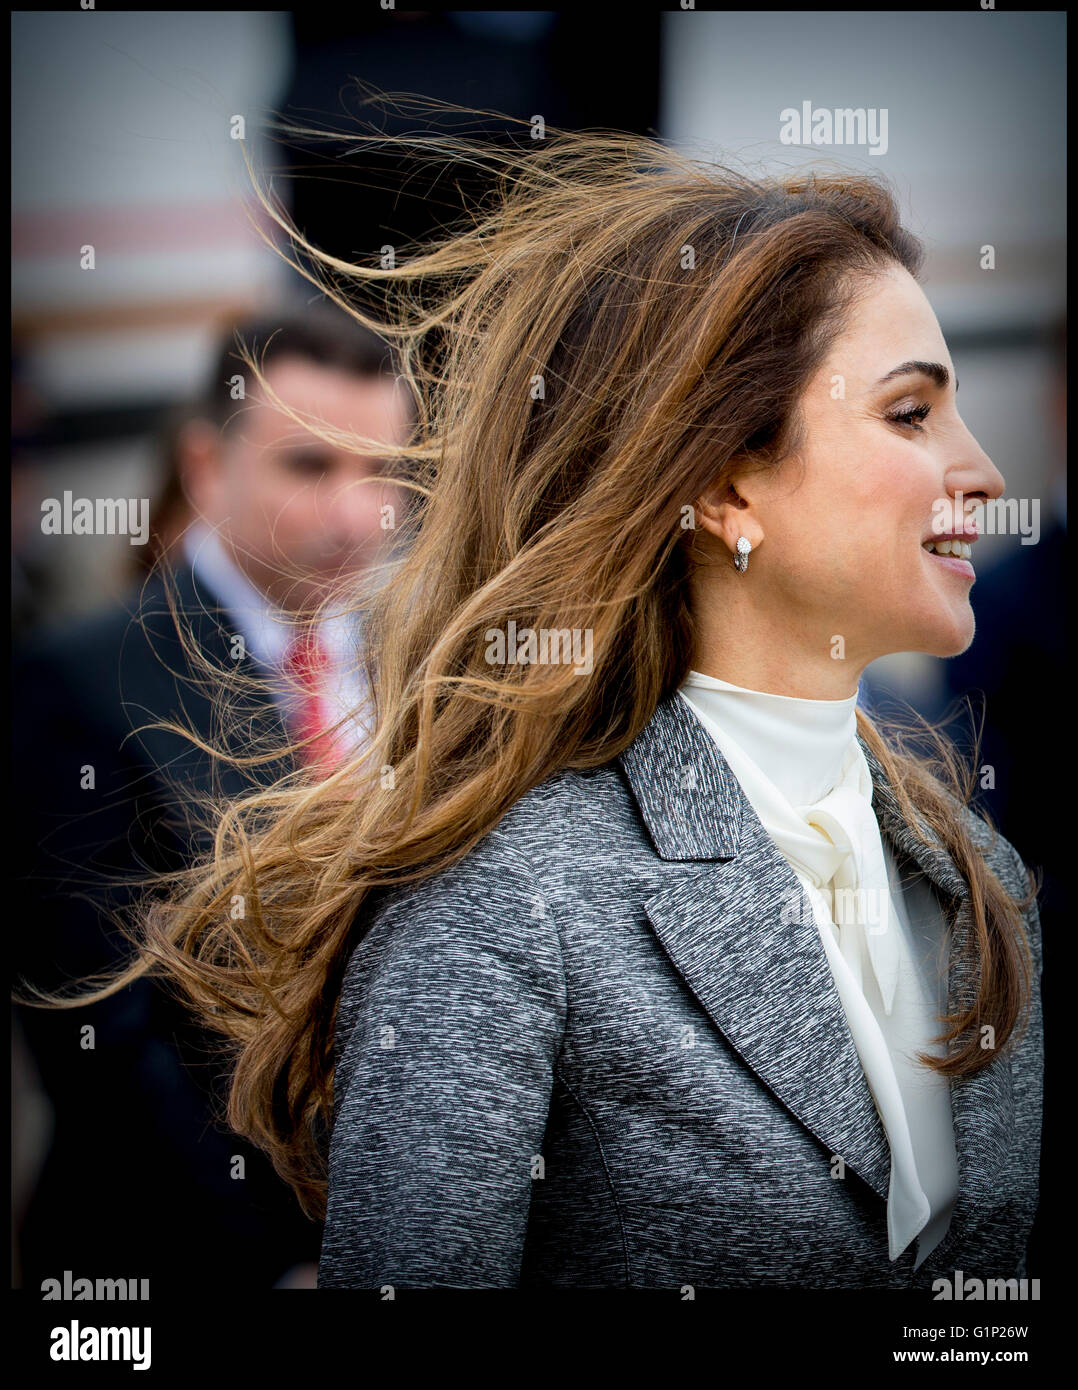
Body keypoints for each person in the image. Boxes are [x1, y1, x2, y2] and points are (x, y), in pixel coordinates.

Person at [31, 113, 1043, 1290]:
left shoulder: (978, 874)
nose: (983, 470)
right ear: (723, 483)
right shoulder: (507, 895)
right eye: (910, 412)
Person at [13, 302, 412, 1291]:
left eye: (381, 470)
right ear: (204, 466)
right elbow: (100, 1031)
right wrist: (283, 1255)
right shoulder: (81, 681)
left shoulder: (426, 667)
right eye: (310, 465)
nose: (354, 514)